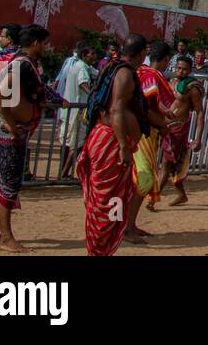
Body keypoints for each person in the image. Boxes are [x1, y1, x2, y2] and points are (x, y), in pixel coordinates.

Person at [0, 24, 60, 252]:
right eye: (43, 42)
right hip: (10, 131)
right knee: (8, 184)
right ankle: (6, 237)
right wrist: (11, 124)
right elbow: (2, 92)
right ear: (35, 42)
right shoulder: (22, 65)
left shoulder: (21, 62)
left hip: (7, 128)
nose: (45, 47)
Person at [77, 37, 149, 256]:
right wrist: (123, 147)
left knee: (115, 198)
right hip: (111, 143)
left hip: (108, 140)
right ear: (141, 54)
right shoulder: (124, 73)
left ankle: (107, 246)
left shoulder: (112, 67)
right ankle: (99, 250)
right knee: (107, 201)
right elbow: (116, 110)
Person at [128, 40, 172, 232]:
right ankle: (128, 225)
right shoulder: (151, 75)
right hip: (143, 132)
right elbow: (148, 107)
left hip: (136, 130)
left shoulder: (139, 72)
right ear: (166, 60)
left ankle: (129, 223)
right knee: (144, 178)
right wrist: (163, 124)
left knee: (138, 177)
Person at [157, 56, 204, 206]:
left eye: (184, 69)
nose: (181, 71)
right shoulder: (170, 83)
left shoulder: (192, 88)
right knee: (172, 164)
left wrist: (198, 138)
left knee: (166, 164)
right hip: (166, 128)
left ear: (190, 71)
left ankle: (153, 198)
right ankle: (181, 194)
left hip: (179, 129)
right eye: (178, 68)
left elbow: (200, 112)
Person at [58, 42, 99, 179]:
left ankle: (63, 172)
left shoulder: (79, 66)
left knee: (69, 142)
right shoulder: (81, 68)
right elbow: (83, 84)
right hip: (78, 111)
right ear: (84, 55)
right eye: (91, 53)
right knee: (76, 143)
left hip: (71, 110)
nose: (94, 56)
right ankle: (64, 173)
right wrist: (93, 95)